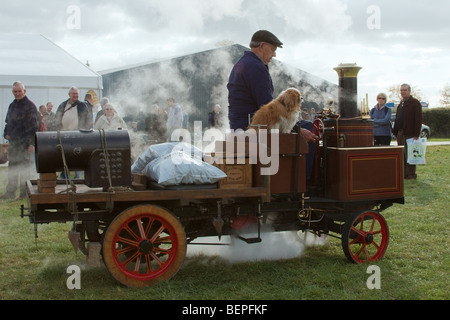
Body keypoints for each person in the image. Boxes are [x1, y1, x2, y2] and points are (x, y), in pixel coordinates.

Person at [227, 30, 317, 143]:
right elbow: (269, 107)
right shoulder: (256, 67)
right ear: (262, 46)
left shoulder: (244, 62)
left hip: (238, 126)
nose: (274, 54)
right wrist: (298, 129)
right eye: (273, 50)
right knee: (309, 128)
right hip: (251, 128)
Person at [1, 81, 40, 200]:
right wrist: (6, 133)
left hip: (25, 144)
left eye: (19, 91)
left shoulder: (30, 106)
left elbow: (34, 127)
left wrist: (31, 144)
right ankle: (10, 193)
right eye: (15, 92)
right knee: (12, 168)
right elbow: (8, 122)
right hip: (14, 143)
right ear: (13, 92)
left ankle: (24, 193)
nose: (17, 94)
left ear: (24, 91)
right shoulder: (12, 105)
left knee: (25, 170)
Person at [55, 87, 93, 179]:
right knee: (64, 156)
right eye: (73, 94)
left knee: (78, 156)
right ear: (69, 95)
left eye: (77, 94)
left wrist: (85, 133)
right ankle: (64, 176)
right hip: (64, 135)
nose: (75, 95)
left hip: (78, 135)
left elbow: (88, 120)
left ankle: (78, 177)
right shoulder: (63, 105)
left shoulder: (82, 106)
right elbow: (57, 119)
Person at [393, 84, 423, 180]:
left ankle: (411, 174)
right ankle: (404, 173)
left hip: (410, 133)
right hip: (400, 133)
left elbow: (418, 119)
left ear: (409, 91)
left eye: (405, 90)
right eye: (401, 90)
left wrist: (416, 134)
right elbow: (397, 118)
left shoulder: (415, 103)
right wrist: (396, 132)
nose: (402, 92)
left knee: (410, 154)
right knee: (402, 154)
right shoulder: (401, 103)